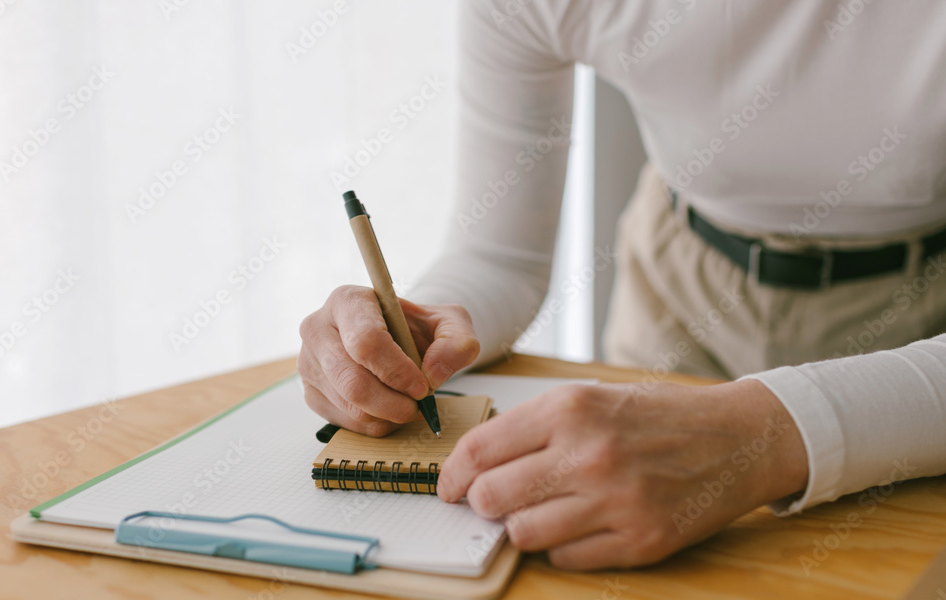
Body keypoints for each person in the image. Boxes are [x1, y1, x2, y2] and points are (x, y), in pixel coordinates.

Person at [298, 0, 946, 569]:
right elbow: (498, 257)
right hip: (679, 284)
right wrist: (415, 327)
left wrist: (759, 435)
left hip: (920, 313)